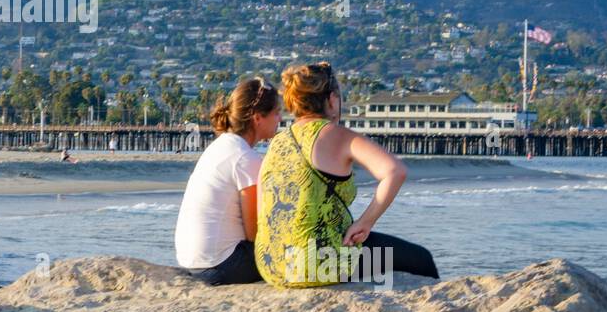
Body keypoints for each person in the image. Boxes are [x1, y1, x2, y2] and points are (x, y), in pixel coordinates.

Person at [256, 62, 438, 287]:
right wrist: (365, 222)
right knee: (421, 259)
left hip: (271, 265)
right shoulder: (336, 134)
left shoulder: (278, 141)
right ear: (331, 100)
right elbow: (395, 171)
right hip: (314, 265)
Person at [174, 76, 282, 285]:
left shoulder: (221, 146)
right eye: (276, 113)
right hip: (220, 266)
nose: (279, 119)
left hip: (192, 262)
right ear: (258, 118)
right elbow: (255, 234)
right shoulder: (245, 158)